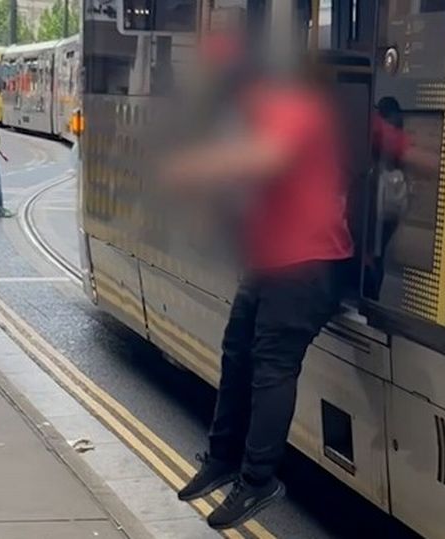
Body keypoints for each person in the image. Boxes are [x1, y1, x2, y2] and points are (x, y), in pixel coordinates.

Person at [161, 39, 353, 530]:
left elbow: (266, 158)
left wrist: (192, 167)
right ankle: (223, 458)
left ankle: (259, 479)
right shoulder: (263, 107)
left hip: (310, 263)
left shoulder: (296, 106)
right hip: (271, 259)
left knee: (272, 367)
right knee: (236, 352)